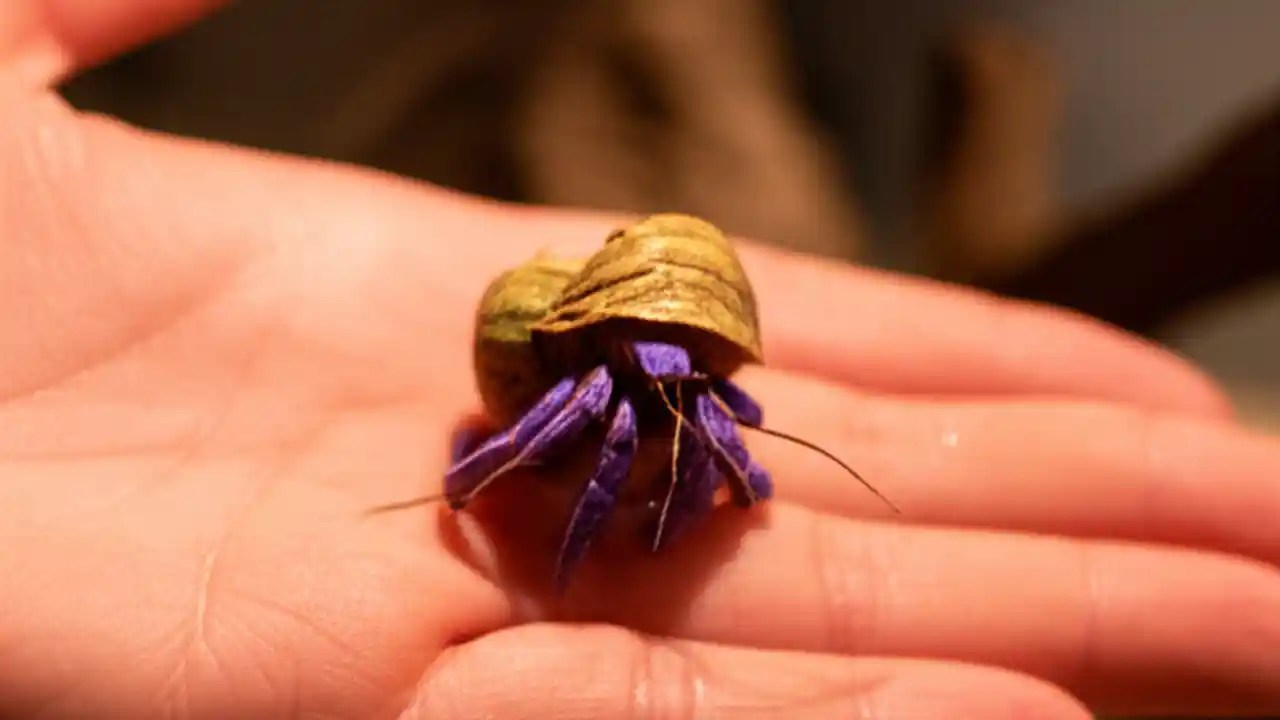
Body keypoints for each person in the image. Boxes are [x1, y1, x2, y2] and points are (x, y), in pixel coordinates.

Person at [3, 2, 1278, 718]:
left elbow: (705, 391)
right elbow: (602, 405)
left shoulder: (688, 372)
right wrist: (498, 495)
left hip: (617, 314)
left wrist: (736, 474)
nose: (684, 402)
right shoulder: (583, 363)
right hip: (564, 331)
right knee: (617, 428)